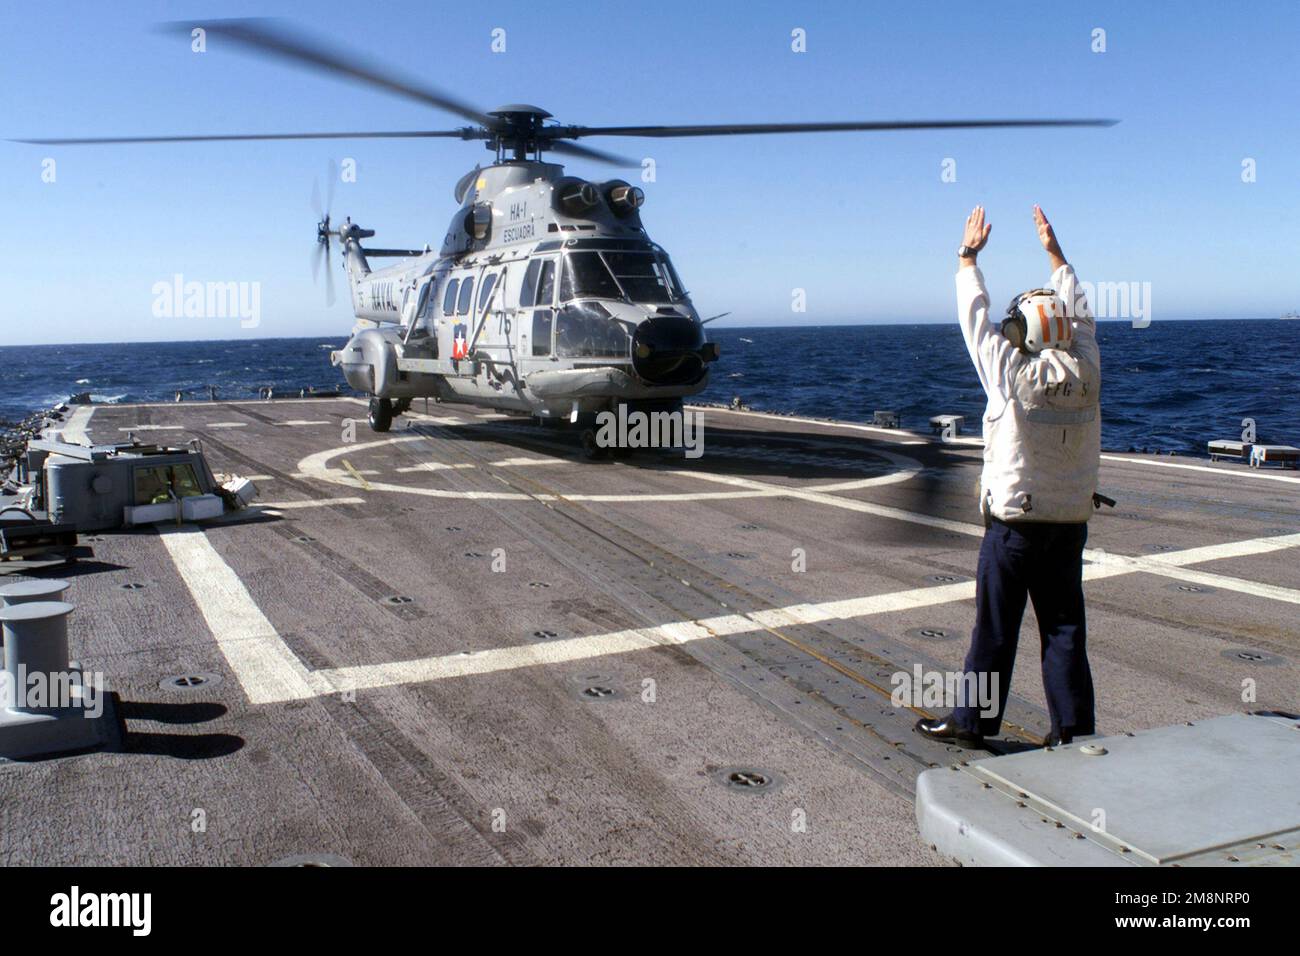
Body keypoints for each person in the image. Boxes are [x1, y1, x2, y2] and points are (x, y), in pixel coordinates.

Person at [915, 205, 1101, 749]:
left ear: (1024, 329)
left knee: (995, 629)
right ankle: (1072, 731)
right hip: (1068, 525)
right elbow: (1084, 319)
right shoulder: (1088, 369)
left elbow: (974, 319)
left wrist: (967, 257)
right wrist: (1056, 254)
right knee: (1065, 630)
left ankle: (974, 722)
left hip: (1015, 528)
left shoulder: (1008, 371)